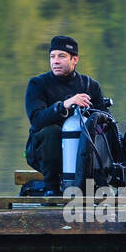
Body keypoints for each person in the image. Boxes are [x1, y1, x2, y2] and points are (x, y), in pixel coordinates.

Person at [24, 35, 105, 195]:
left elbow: (106, 120)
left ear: (75, 59)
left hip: (83, 150)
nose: (55, 61)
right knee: (51, 132)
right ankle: (52, 189)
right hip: (43, 151)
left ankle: (101, 183)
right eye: (52, 56)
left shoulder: (90, 86)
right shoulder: (37, 84)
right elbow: (37, 120)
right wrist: (63, 106)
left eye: (61, 56)